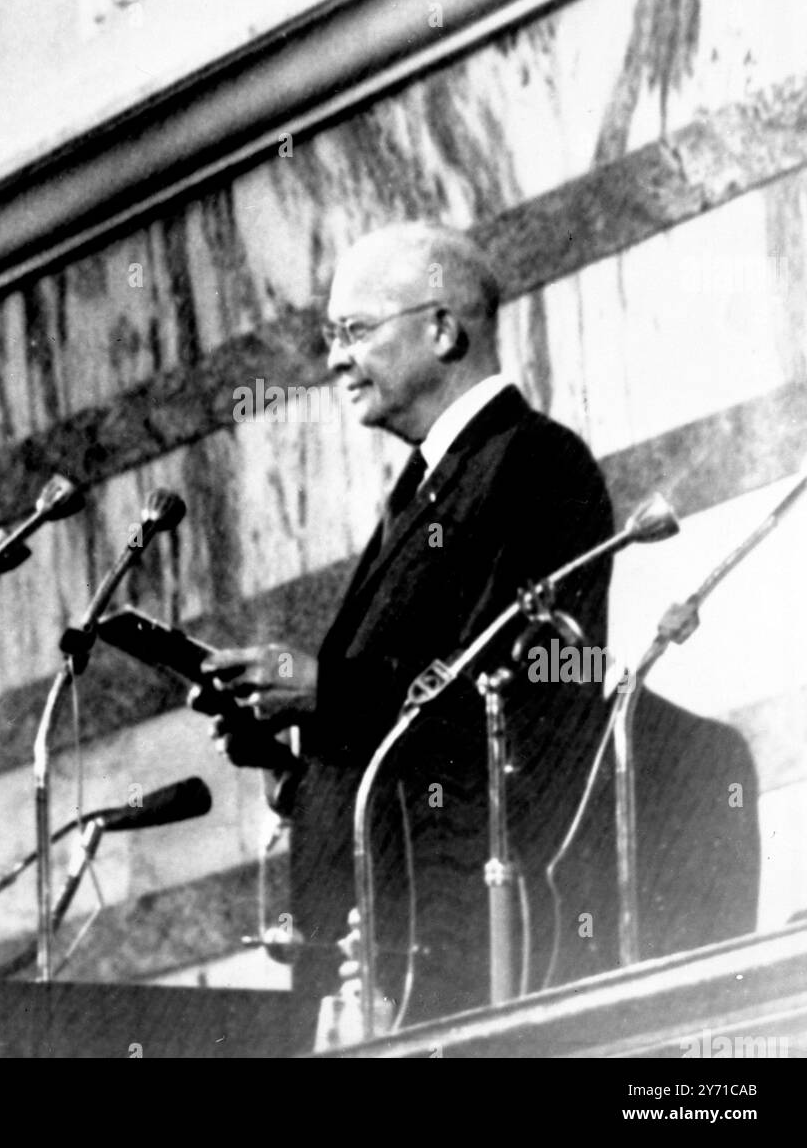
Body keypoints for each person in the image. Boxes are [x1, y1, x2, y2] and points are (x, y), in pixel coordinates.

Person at [197, 221, 758, 1041]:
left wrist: (329, 689)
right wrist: (289, 752)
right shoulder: (425, 488)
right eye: (329, 337)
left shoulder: (535, 463)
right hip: (372, 945)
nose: (332, 360)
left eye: (353, 331)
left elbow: (531, 700)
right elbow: (403, 717)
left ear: (442, 329)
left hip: (450, 953)